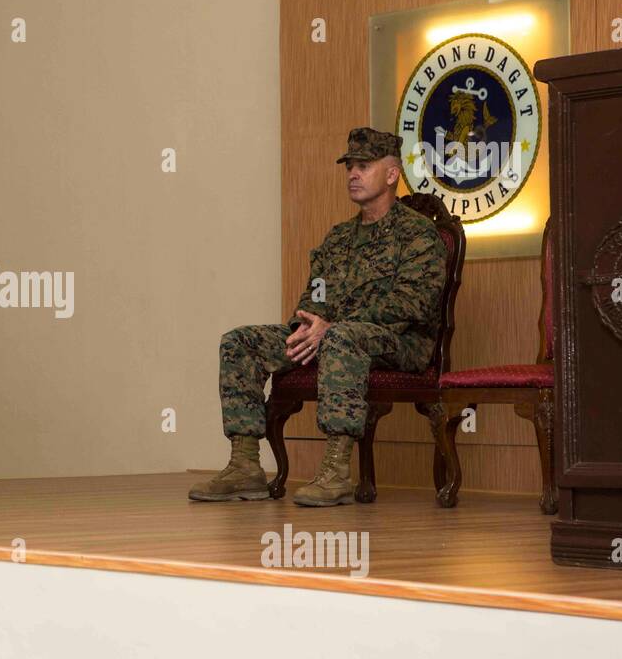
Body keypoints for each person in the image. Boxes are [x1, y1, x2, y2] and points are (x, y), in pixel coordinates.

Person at [189, 128, 447, 507]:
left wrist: (332, 329)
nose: (353, 175)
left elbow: (413, 303)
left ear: (392, 174)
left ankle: (336, 472)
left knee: (342, 338)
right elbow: (317, 294)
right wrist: (308, 326)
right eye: (349, 168)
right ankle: (245, 465)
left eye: (363, 166)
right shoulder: (338, 238)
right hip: (332, 334)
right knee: (240, 340)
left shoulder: (418, 235)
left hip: (399, 342)